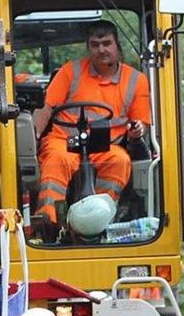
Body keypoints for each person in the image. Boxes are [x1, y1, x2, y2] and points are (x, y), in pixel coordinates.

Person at [30, 21, 151, 240]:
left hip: (106, 145)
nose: (101, 50)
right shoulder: (71, 71)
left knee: (119, 161)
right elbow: (45, 107)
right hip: (64, 140)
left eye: (106, 43)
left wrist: (137, 130)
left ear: (118, 46)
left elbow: (140, 121)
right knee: (56, 160)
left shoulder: (136, 80)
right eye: (95, 45)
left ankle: (99, 220)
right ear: (88, 47)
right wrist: (34, 135)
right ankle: (48, 224)